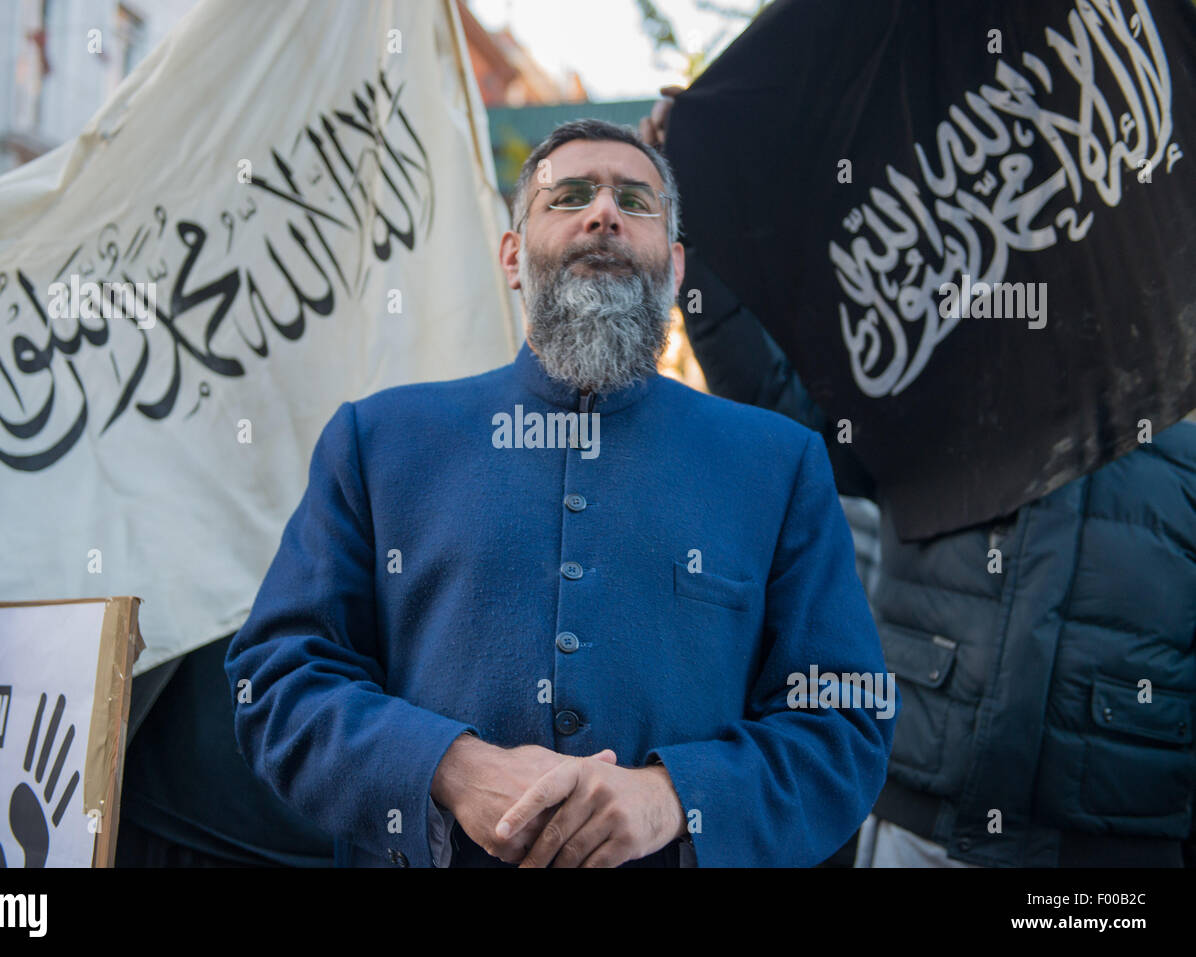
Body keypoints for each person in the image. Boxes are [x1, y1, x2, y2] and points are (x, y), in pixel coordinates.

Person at [224, 118, 896, 868]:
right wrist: (446, 767)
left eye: (635, 201)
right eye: (568, 195)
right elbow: (277, 678)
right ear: (512, 256)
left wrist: (675, 796)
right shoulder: (378, 441)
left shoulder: (779, 463)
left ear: (674, 269)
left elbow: (845, 714)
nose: (603, 212)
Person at [644, 84, 1196, 869]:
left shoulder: (1183, 462)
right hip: (917, 836)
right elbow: (774, 398)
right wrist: (694, 215)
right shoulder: (935, 408)